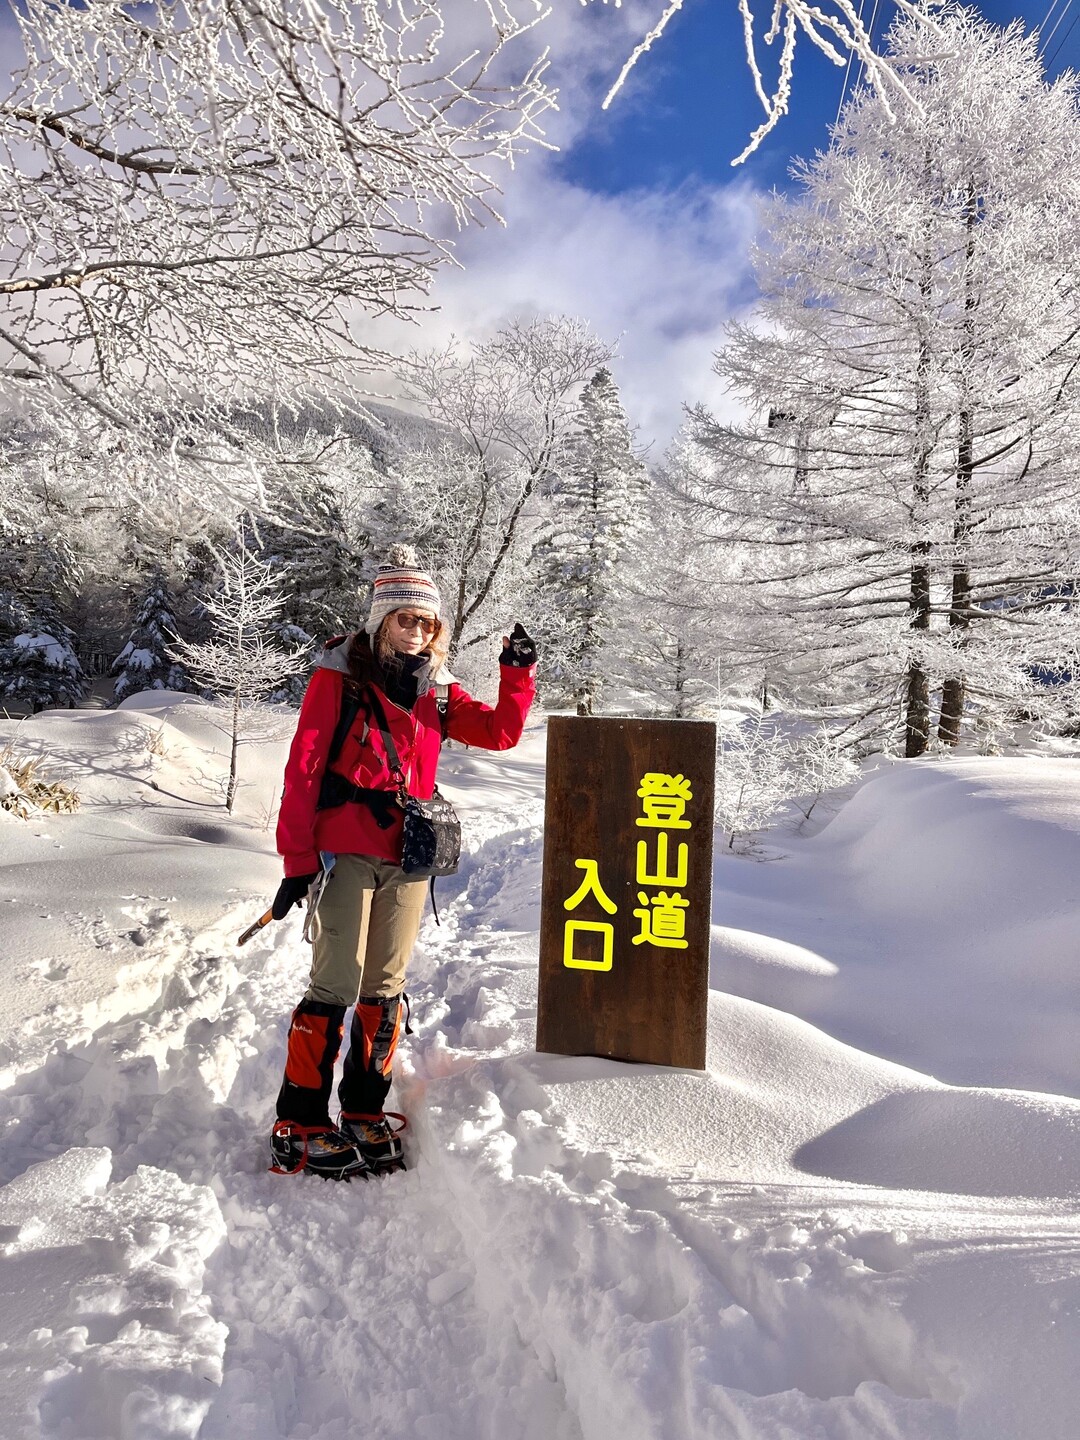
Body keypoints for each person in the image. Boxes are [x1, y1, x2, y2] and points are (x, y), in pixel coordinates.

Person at [268, 545, 536, 1180]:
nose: (416, 632)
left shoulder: (438, 694)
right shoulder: (338, 678)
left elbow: (500, 732)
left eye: (426, 623)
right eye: (404, 619)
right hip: (345, 851)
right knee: (335, 980)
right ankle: (300, 1121)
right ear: (379, 620)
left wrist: (516, 674)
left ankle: (362, 1110)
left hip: (408, 858)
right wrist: (297, 859)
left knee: (384, 987)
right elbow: (303, 768)